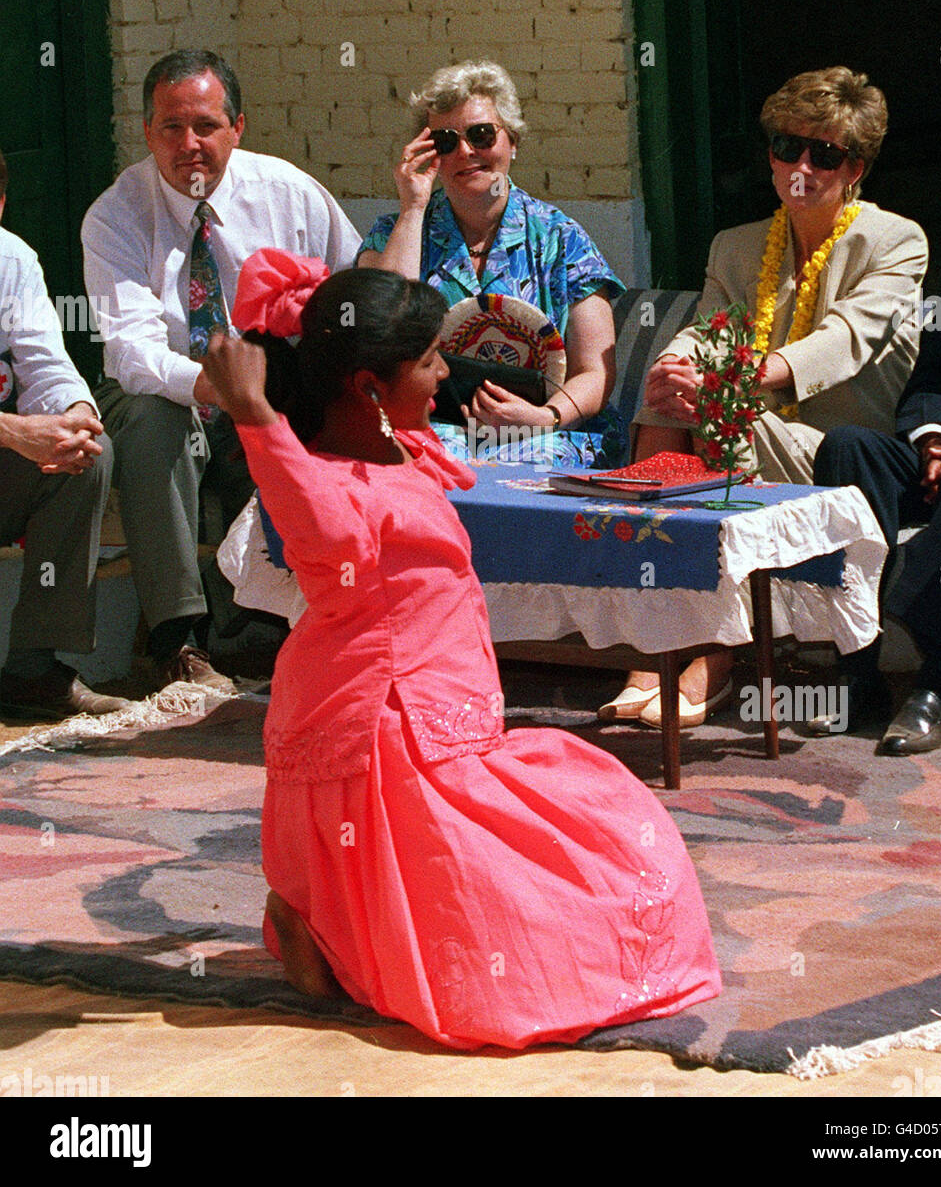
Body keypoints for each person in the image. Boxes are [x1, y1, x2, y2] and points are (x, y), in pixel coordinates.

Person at [200, 265, 720, 1049]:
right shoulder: (323, 486)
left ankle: (319, 917)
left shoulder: (392, 442)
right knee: (528, 930)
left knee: (603, 838)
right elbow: (320, 536)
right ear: (372, 386)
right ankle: (318, 918)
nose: (447, 373)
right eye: (431, 361)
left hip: (439, 716)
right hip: (389, 732)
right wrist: (253, 418)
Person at [600, 68, 927, 727]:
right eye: (786, 147)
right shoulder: (738, 244)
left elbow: (845, 339)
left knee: (713, 408)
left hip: (835, 456)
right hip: (743, 429)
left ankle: (713, 657)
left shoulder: (893, 240)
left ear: (854, 168)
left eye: (824, 153)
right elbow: (703, 333)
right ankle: (657, 644)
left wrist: (735, 383)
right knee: (669, 395)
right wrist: (672, 365)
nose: (800, 166)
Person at [82, 50, 361, 690]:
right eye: (170, 128)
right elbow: (131, 351)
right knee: (155, 426)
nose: (188, 145)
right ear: (147, 132)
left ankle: (313, 623)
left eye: (205, 126)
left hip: (270, 387)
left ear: (238, 127)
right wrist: (211, 385)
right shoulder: (115, 214)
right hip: (164, 390)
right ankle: (176, 640)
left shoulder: (292, 195)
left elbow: (356, 293)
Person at [356, 59, 626, 466]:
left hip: (544, 428)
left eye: (481, 134)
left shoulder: (561, 237)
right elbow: (379, 333)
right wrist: (413, 206)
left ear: (512, 141)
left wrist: (544, 417)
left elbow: (595, 371)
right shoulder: (395, 232)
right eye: (446, 141)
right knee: (414, 457)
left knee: (531, 460)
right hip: (433, 424)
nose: (466, 151)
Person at [812, 226, 941, 753]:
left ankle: (936, 686)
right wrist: (931, 440)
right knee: (847, 447)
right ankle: (860, 672)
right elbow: (931, 375)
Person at [0, 148, 127, 720]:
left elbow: (44, 359)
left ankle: (32, 671)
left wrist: (74, 415)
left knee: (87, 456)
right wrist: (14, 430)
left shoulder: (10, 259)